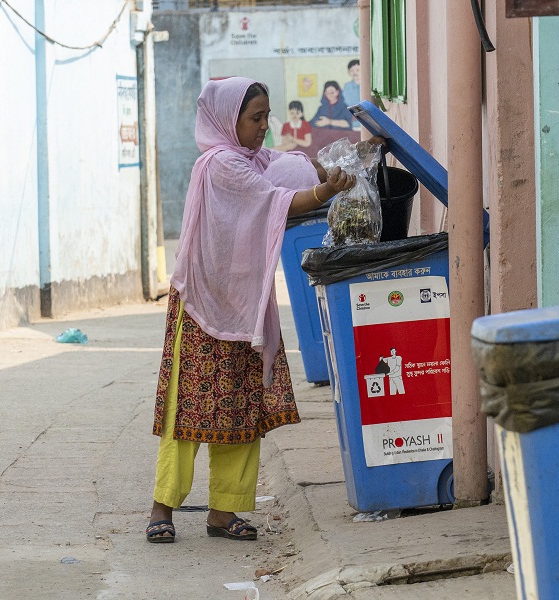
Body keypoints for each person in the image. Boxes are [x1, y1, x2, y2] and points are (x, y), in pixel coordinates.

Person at [146, 77, 358, 544]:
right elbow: (274, 199)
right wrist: (325, 193)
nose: (265, 126)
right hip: (202, 303)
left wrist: (336, 170)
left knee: (242, 406)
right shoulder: (221, 165)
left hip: (242, 305)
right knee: (189, 407)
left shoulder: (253, 159)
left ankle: (224, 512)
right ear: (228, 120)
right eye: (255, 118)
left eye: (266, 117)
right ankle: (163, 506)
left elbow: (291, 167)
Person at [342, 59, 362, 131]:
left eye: (357, 70)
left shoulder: (367, 85)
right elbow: (344, 103)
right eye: (352, 71)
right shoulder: (347, 86)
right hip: (352, 122)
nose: (355, 73)